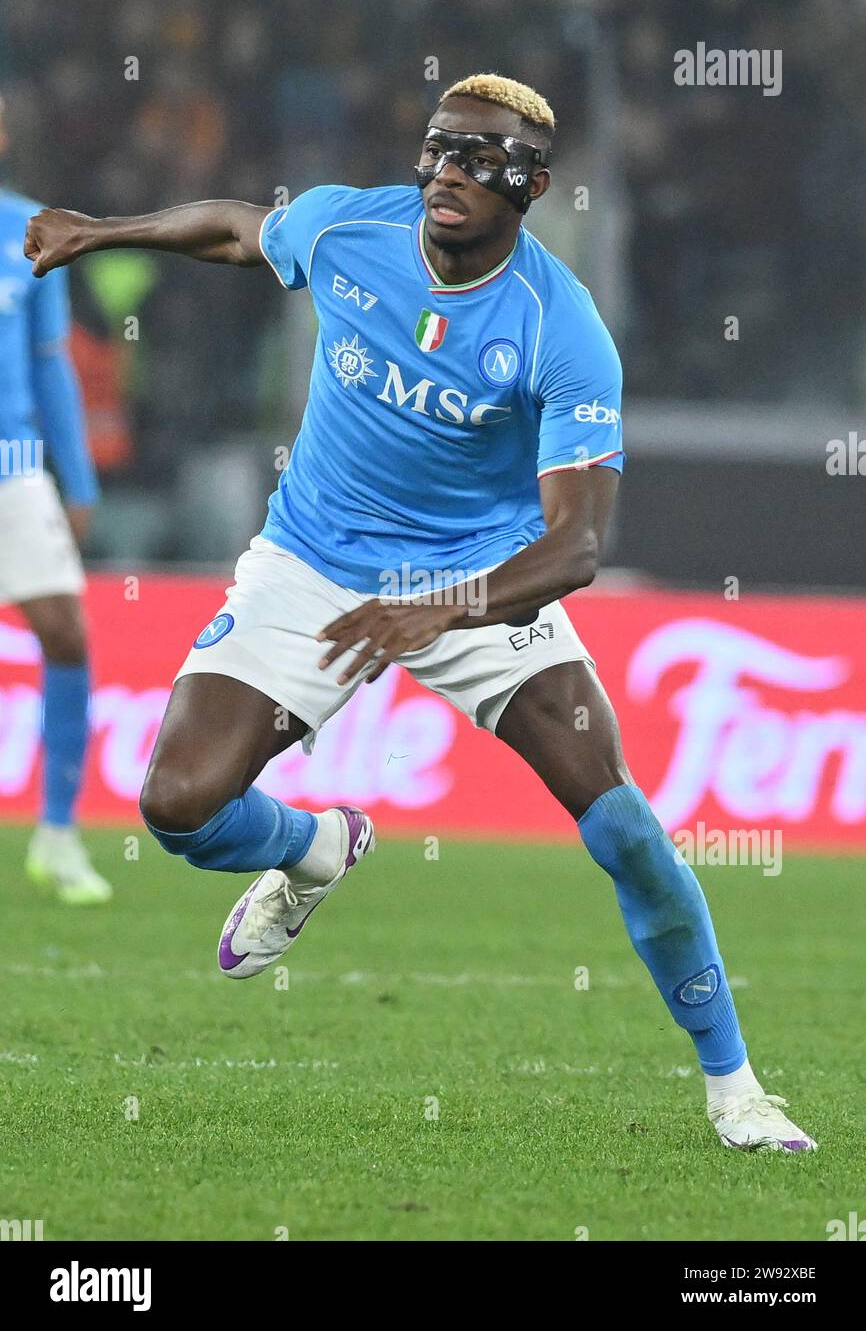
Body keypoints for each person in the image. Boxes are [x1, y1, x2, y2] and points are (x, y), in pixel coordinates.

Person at [24, 74, 814, 1151]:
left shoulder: (559, 329)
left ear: (529, 187)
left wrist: (437, 610)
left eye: (477, 159)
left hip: (483, 579)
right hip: (311, 560)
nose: (445, 171)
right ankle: (313, 848)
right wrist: (101, 231)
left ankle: (735, 1088)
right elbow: (235, 231)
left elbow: (577, 545)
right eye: (438, 148)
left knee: (622, 825)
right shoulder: (354, 226)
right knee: (176, 803)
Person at [0, 96, 109, 904]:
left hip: (13, 466)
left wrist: (77, 476)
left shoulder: (27, 229)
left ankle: (59, 834)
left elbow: (50, 365)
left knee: (66, 633)